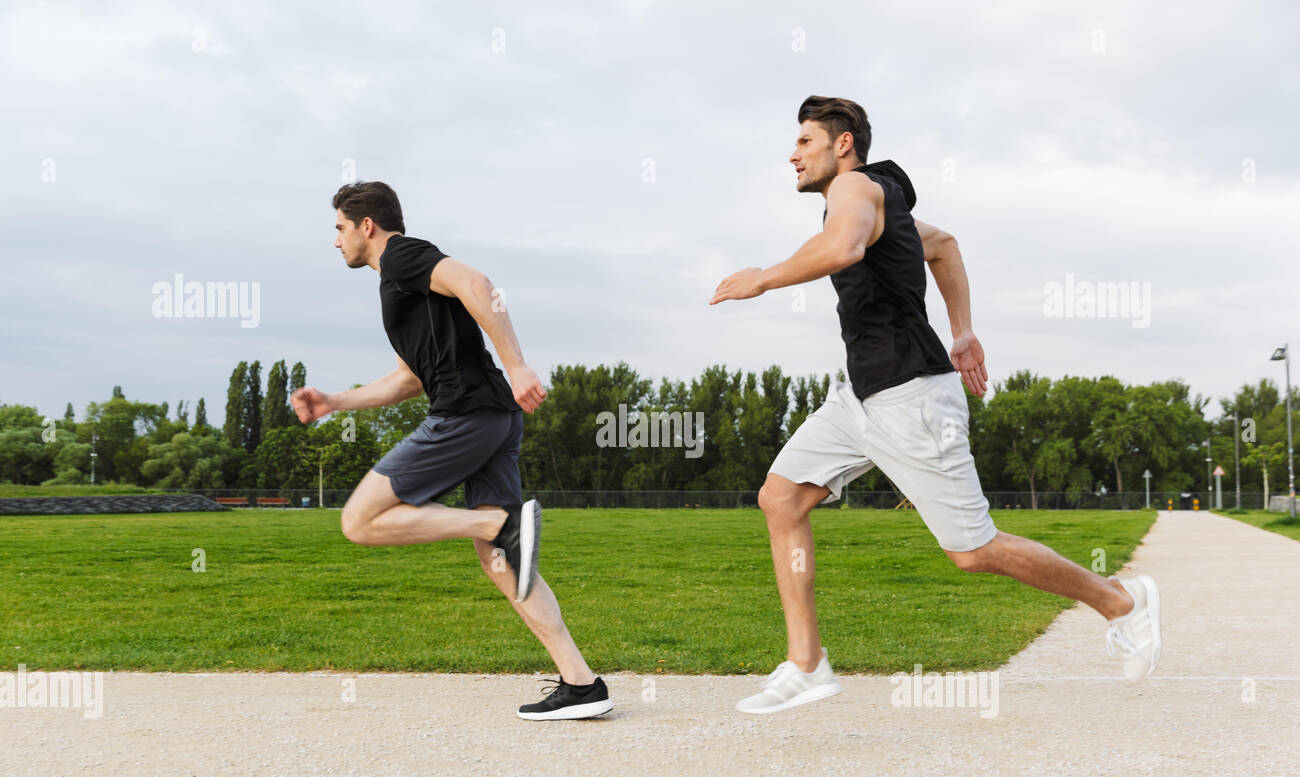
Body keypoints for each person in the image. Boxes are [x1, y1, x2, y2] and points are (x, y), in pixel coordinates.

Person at [710, 96, 1161, 714]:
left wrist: (763, 277)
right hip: (862, 399)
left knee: (971, 550)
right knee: (781, 496)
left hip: (912, 398)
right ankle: (807, 662)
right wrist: (964, 332)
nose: (793, 153)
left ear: (843, 145)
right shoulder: (881, 203)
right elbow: (943, 244)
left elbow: (841, 249)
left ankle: (1123, 601)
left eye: (806, 141)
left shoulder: (854, 190)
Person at [292, 181, 612, 720]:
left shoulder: (401, 254)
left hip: (467, 416)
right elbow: (409, 381)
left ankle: (491, 525)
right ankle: (582, 684)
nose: (337, 241)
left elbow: (477, 282)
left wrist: (518, 366)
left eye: (340, 229)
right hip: (490, 418)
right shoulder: (397, 284)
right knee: (503, 563)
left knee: (360, 521)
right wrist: (333, 401)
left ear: (366, 226)